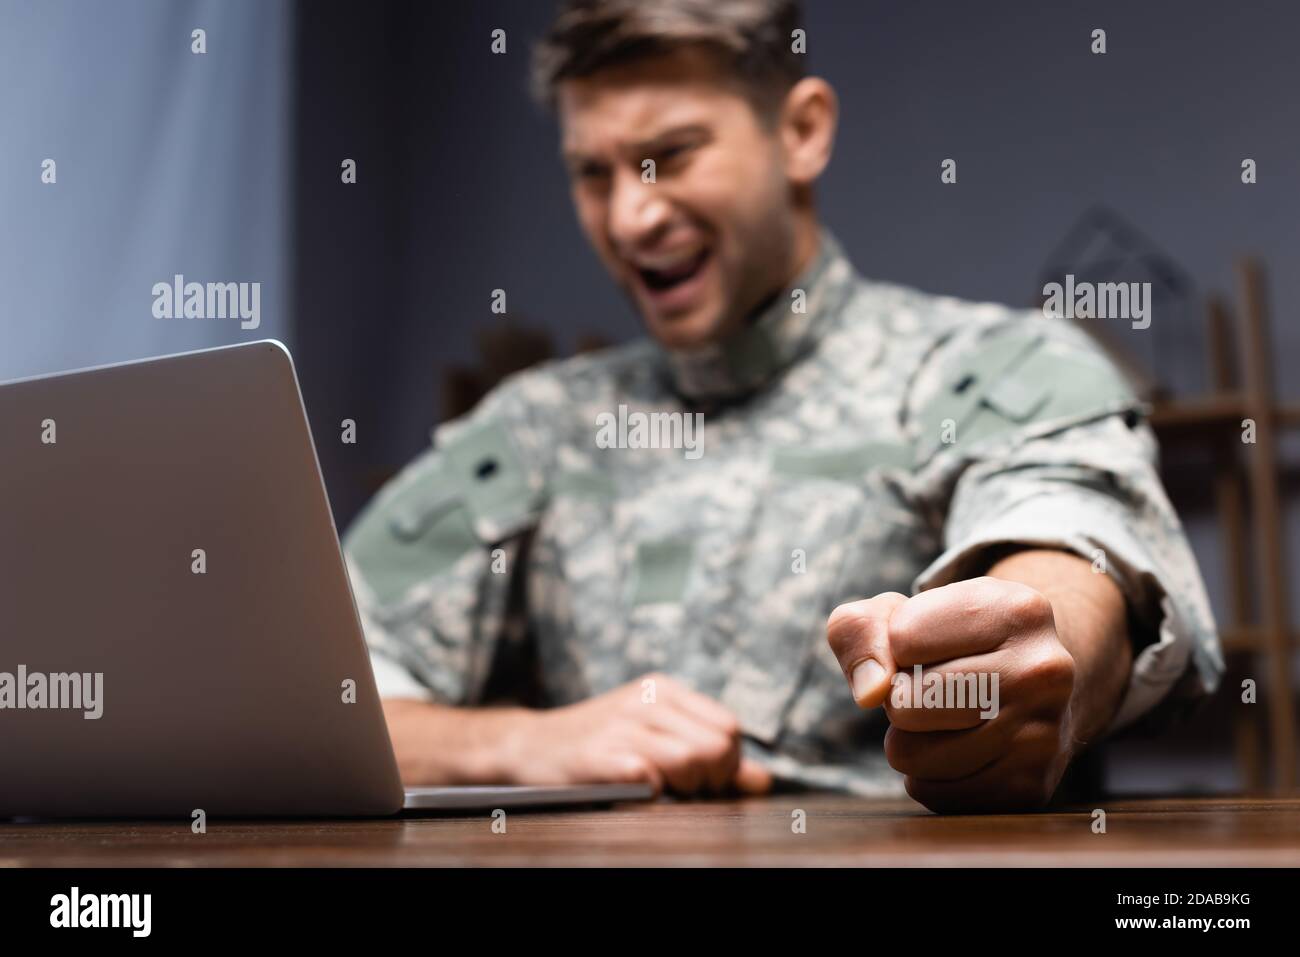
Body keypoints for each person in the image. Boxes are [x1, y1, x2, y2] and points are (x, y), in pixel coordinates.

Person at [342, 0, 1222, 812]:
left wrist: (1035, 643)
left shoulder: (993, 366)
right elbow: (315, 683)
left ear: (802, 132)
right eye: (591, 174)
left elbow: (1072, 547)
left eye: (672, 155)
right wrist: (517, 743)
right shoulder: (533, 428)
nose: (631, 216)